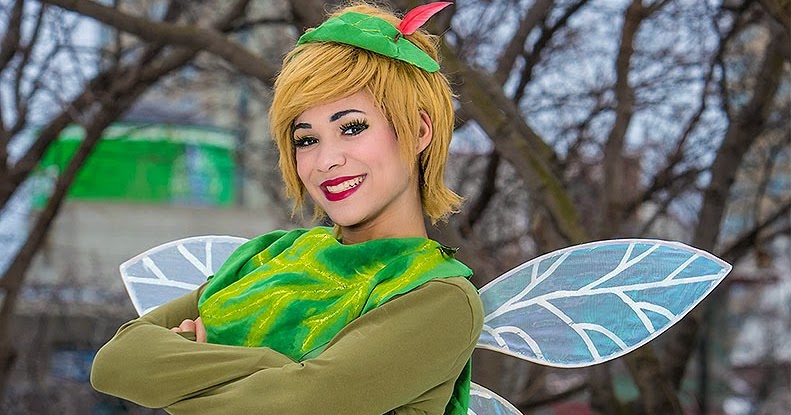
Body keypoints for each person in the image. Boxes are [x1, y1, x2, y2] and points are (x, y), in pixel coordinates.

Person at [90, 2, 484, 414]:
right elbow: (117, 362)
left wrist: (203, 358)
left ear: (419, 131)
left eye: (351, 128)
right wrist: (277, 368)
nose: (326, 159)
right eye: (306, 139)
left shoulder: (440, 299)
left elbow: (295, 406)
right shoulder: (273, 256)